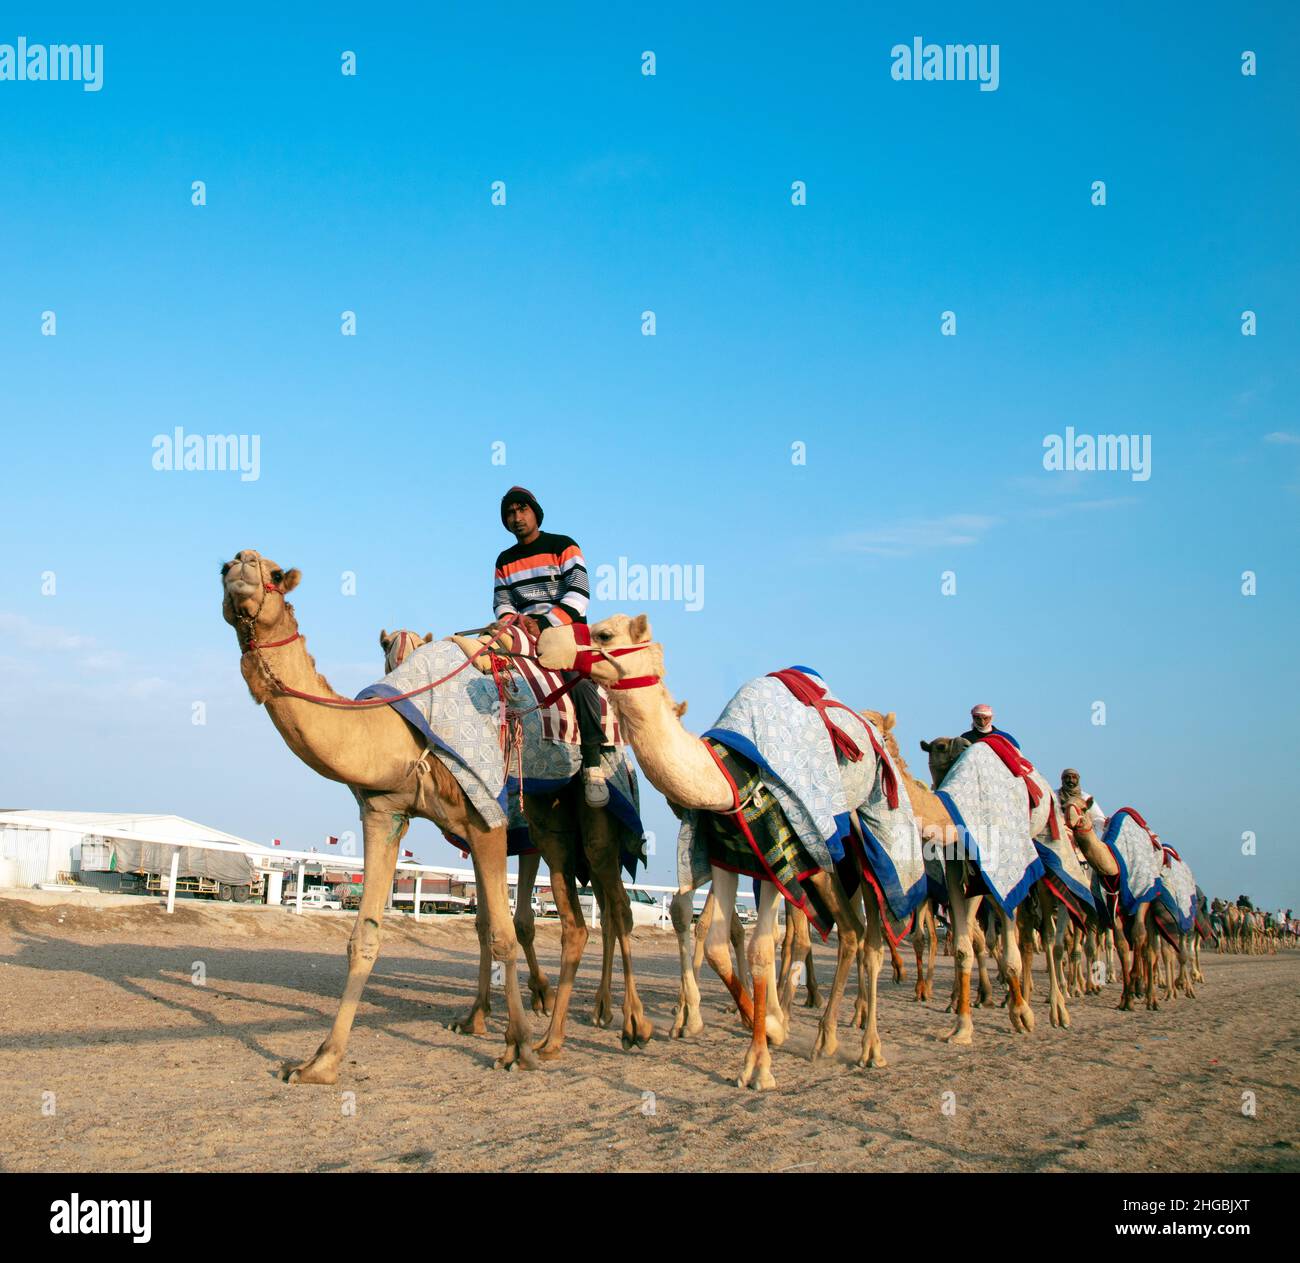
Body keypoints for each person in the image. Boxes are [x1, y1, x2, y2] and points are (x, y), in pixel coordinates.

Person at [492, 486, 611, 806]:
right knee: (490, 677)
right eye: (510, 513)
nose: (517, 517)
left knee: (581, 682)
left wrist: (543, 624)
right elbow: (502, 604)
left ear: (535, 512)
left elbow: (579, 594)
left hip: (564, 631)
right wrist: (514, 624)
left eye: (522, 510)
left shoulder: (564, 545)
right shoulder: (504, 560)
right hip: (522, 634)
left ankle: (593, 764)